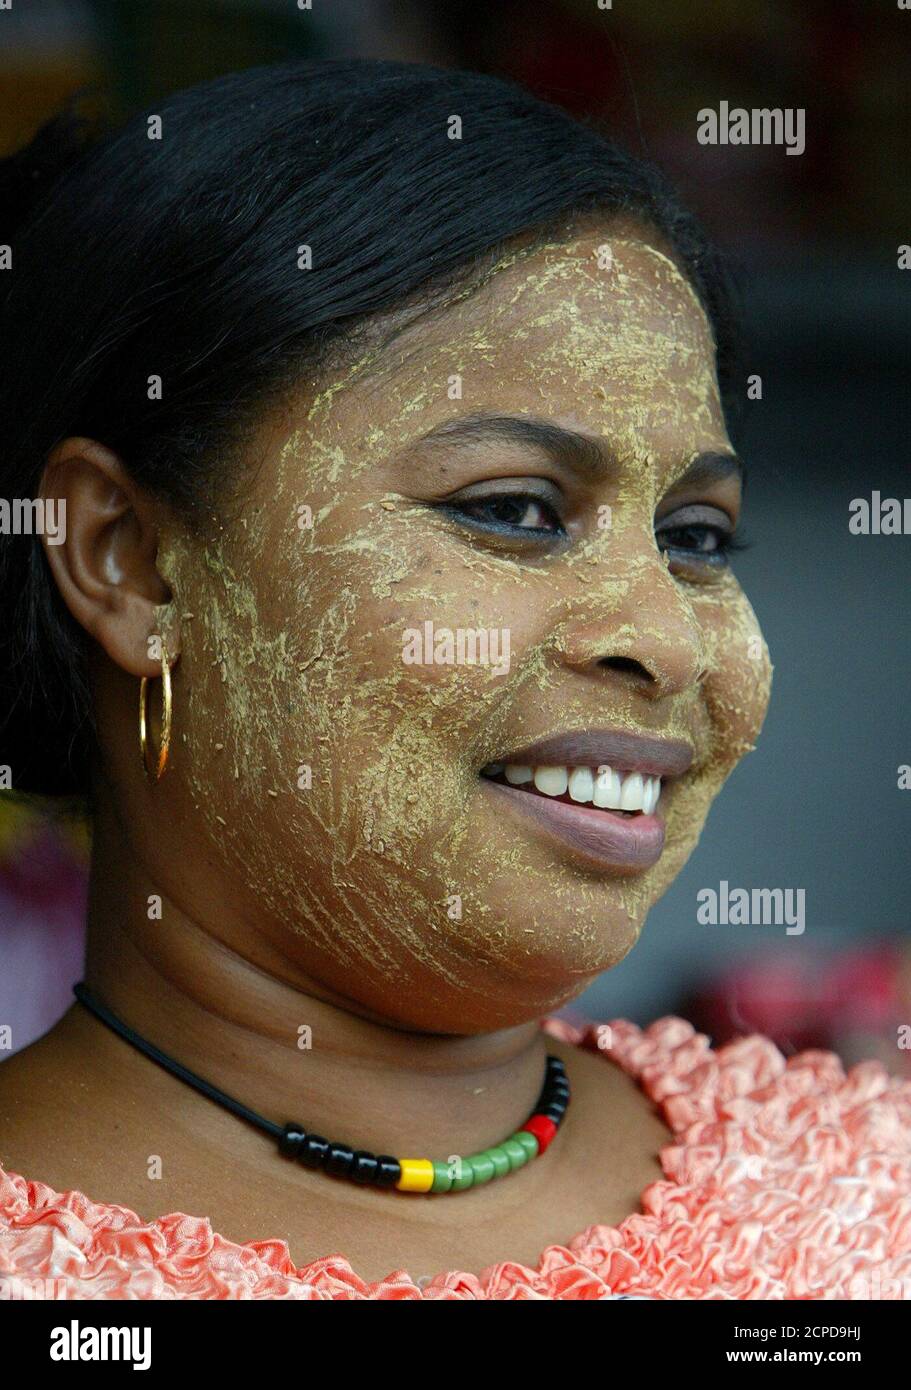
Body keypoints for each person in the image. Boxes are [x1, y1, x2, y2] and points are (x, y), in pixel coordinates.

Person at [0, 59, 906, 1301]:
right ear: (136, 563)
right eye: (516, 510)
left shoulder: (864, 1193)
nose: (670, 639)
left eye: (695, 535)